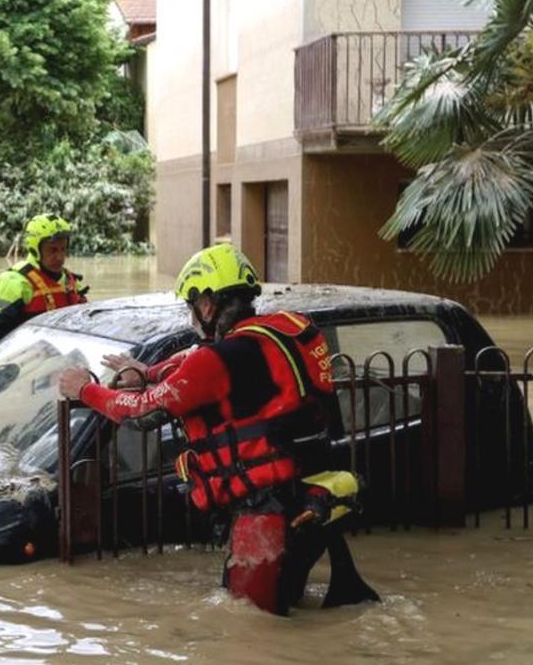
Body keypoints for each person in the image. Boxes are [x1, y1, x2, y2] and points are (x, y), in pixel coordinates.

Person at [57, 243, 379, 615]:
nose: (192, 316)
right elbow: (195, 360)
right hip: (309, 497)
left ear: (207, 305)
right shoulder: (277, 335)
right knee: (282, 607)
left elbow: (142, 413)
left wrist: (85, 389)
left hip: (264, 513)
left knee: (250, 624)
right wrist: (146, 371)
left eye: (192, 306)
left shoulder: (219, 360)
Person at [0, 214, 88, 355]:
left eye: (63, 249)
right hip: (26, 361)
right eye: (52, 250)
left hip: (61, 358)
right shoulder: (15, 281)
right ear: (35, 250)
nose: (60, 257)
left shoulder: (69, 281)